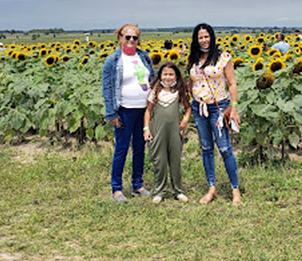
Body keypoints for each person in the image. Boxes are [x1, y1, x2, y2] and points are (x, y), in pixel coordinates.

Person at [187, 23, 242, 205]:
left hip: (218, 108)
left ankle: (235, 190)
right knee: (206, 148)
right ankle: (212, 188)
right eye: (200, 37)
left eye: (206, 36)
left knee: (225, 148)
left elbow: (232, 83)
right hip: (199, 108)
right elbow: (191, 82)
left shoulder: (222, 57)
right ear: (196, 40)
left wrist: (233, 108)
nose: (204, 40)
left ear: (212, 37)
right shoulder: (194, 59)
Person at [102, 23, 156, 202]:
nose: (131, 40)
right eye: (128, 37)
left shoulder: (144, 57)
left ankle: (137, 185)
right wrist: (111, 113)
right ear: (120, 38)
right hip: (124, 110)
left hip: (144, 110)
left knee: (140, 148)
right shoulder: (113, 60)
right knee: (122, 149)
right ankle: (116, 189)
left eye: (135, 37)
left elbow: (153, 78)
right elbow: (108, 87)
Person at [143, 62, 191, 204]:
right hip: (158, 131)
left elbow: (188, 108)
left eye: (171, 74)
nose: (168, 77)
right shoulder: (155, 91)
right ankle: (159, 191)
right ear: (160, 75)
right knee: (160, 161)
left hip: (175, 132)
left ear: (176, 75)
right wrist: (146, 128)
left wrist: (185, 120)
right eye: (165, 74)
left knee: (175, 161)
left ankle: (178, 191)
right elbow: (148, 111)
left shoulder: (179, 91)